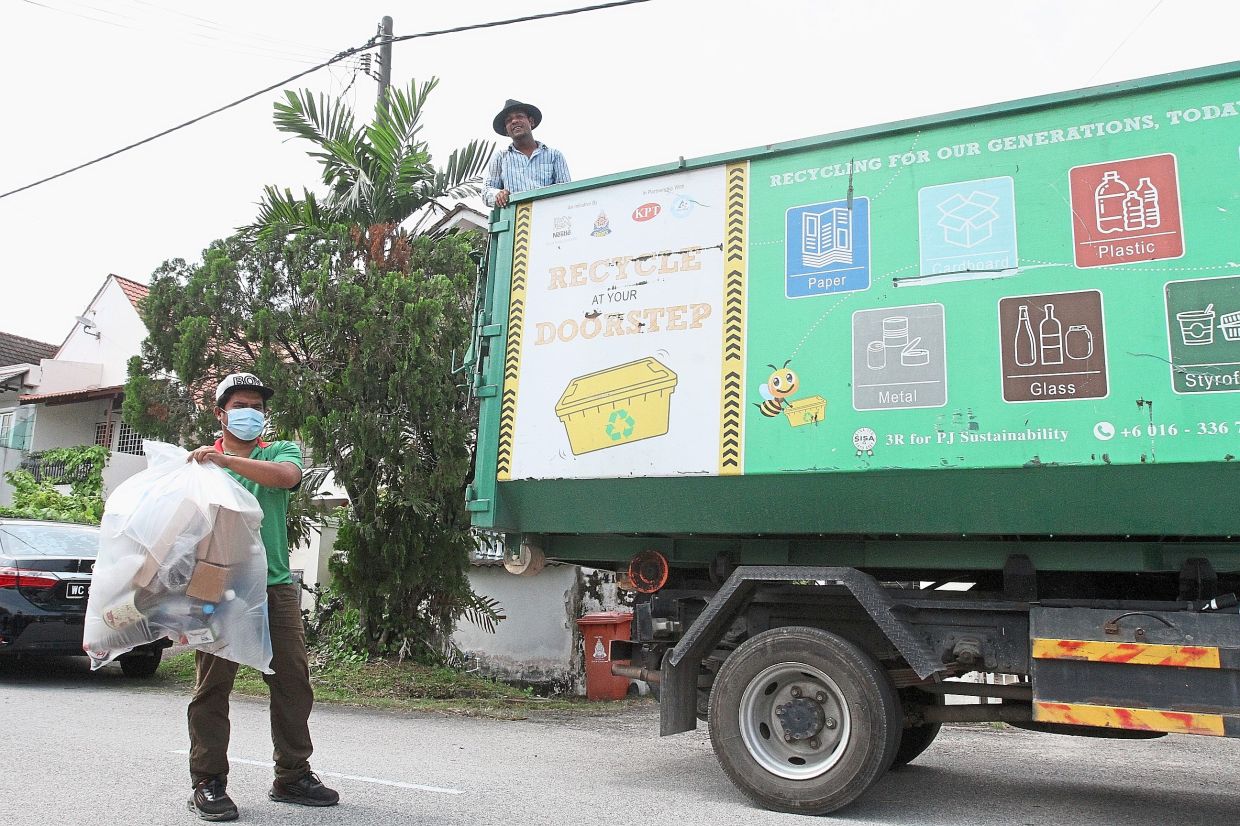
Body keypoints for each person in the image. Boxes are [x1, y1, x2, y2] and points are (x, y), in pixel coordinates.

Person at [184, 372, 338, 821]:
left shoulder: (278, 453)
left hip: (272, 584)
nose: (250, 413)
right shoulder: (197, 463)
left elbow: (287, 478)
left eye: (257, 406)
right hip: (216, 584)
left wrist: (228, 464)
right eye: (239, 405)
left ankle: (292, 775)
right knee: (212, 686)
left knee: (292, 681)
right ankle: (207, 781)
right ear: (220, 413)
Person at [483, 98, 571, 208]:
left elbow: (567, 192)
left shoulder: (554, 155)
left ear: (531, 121)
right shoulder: (500, 158)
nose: (514, 121)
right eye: (508, 120)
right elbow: (486, 191)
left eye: (519, 116)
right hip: (514, 221)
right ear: (506, 130)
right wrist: (498, 194)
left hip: (548, 217)